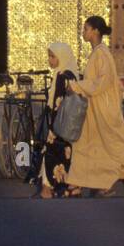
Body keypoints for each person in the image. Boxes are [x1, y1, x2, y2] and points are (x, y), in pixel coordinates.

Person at [64, 16, 124, 197]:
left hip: (104, 111)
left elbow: (101, 83)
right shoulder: (97, 53)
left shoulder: (102, 54)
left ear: (95, 31)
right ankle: (78, 184)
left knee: (114, 149)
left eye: (86, 28)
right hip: (95, 110)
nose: (83, 32)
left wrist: (76, 86)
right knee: (89, 146)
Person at [38, 41, 79, 198]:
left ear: (61, 57)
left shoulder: (61, 76)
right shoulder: (73, 74)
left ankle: (47, 188)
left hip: (58, 125)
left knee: (50, 153)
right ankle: (71, 186)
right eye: (49, 56)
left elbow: (57, 103)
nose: (50, 60)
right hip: (71, 125)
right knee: (67, 155)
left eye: (53, 56)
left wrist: (52, 128)